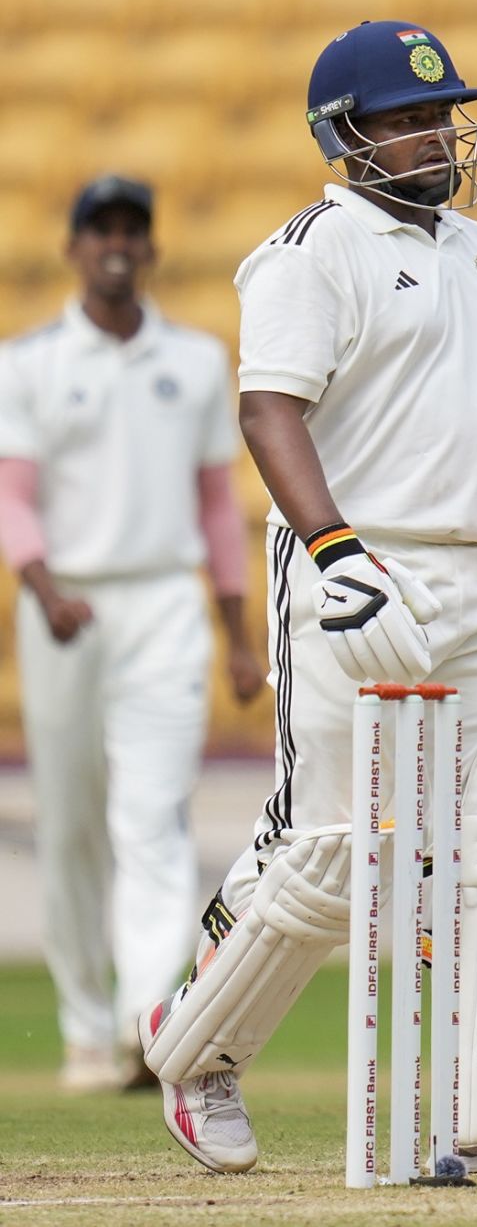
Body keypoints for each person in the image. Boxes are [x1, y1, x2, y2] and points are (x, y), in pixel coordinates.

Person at [135, 20, 477, 1177]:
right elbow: (269, 410)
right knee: (340, 849)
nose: (433, 137)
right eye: (404, 121)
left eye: (439, 116)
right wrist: (336, 549)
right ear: (343, 136)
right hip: (363, 570)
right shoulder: (310, 251)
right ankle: (195, 1048)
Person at [0, 174, 265, 1091]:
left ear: (150, 248)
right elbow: (11, 492)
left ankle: (147, 1024)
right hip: (67, 607)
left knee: (151, 815)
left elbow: (217, 508)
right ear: (74, 247)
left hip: (161, 602)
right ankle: (82, 1027)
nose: (117, 243)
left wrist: (237, 632)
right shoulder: (29, 361)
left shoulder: (192, 360)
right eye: (100, 228)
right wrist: (42, 585)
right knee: (72, 824)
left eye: (131, 230)